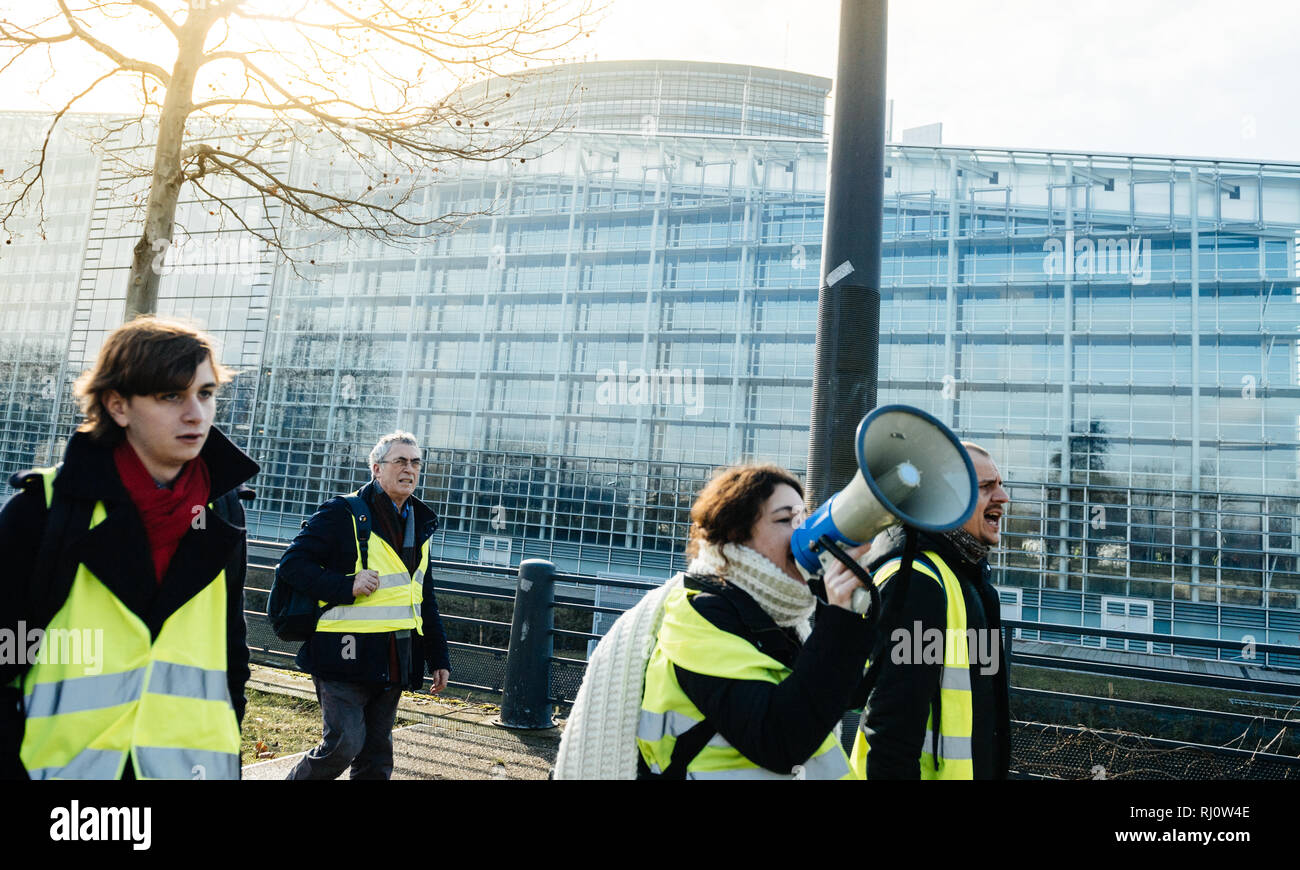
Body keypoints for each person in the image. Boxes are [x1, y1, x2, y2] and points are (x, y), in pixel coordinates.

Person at [0, 316, 259, 780]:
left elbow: (230, 657)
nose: (196, 414)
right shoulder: (41, 512)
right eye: (170, 396)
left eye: (205, 393)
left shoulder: (223, 512)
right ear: (118, 405)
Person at [555, 463, 873, 779]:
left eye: (804, 517)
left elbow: (840, 695)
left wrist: (860, 615)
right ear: (735, 535)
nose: (801, 531)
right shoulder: (696, 615)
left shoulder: (783, 614)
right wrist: (838, 624)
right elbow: (779, 741)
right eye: (786, 519)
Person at [279, 431, 450, 780]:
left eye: (415, 462)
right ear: (376, 468)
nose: (410, 469)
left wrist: (438, 657)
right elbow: (292, 565)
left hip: (394, 654)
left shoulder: (421, 522)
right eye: (400, 461)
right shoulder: (341, 513)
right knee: (344, 743)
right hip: (342, 651)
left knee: (376, 757)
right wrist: (346, 585)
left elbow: (422, 596)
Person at [849, 441, 1012, 780]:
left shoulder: (972, 583)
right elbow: (891, 735)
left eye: (1001, 484)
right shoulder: (918, 585)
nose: (1002, 497)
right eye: (985, 487)